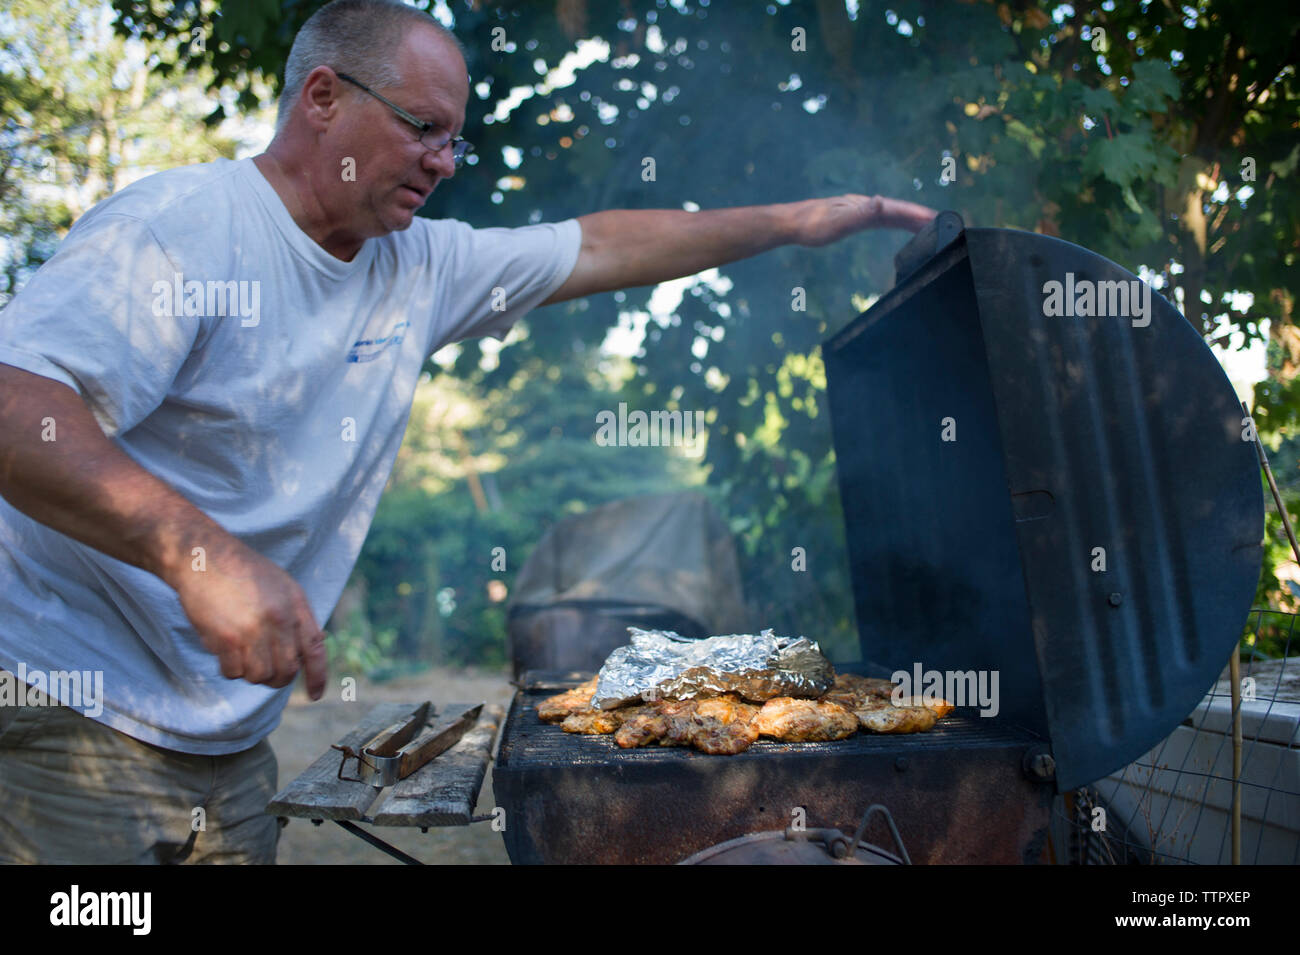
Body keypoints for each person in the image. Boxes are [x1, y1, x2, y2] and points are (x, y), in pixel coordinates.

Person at [0, 0, 935, 864]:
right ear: (322, 98)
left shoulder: (420, 265)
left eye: (456, 139)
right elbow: (16, 404)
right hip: (70, 716)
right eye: (422, 128)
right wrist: (201, 556)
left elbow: (603, 243)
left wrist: (800, 222)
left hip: (228, 744)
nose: (444, 161)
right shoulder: (183, 231)